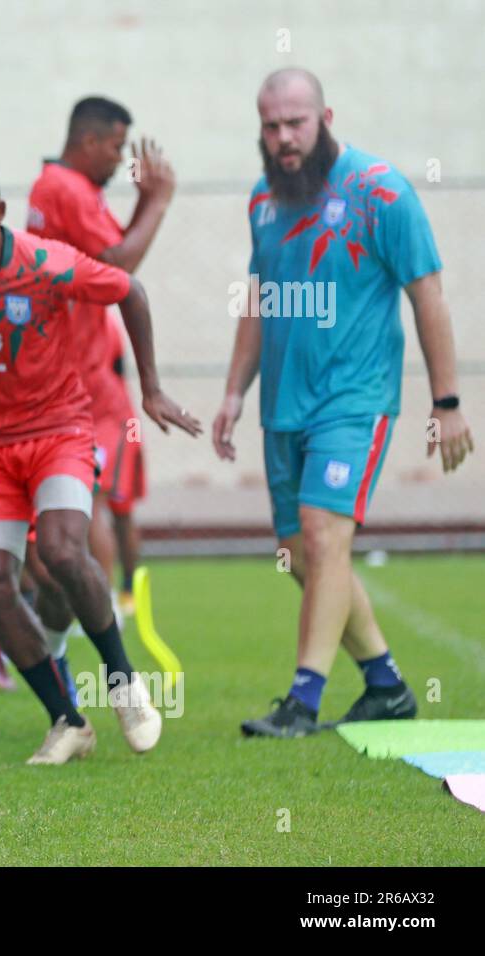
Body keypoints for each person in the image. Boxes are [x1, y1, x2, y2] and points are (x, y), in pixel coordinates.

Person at [0, 142, 201, 765]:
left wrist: (152, 388)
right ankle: (66, 719)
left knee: (61, 550)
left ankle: (121, 680)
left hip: (57, 430)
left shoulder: (48, 262)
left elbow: (129, 290)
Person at [214, 69, 474, 737]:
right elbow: (259, 299)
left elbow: (429, 294)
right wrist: (232, 393)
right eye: (271, 126)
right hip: (282, 406)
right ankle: (385, 684)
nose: (283, 138)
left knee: (327, 535)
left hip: (354, 401)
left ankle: (303, 701)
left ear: (326, 116)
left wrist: (446, 402)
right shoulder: (262, 200)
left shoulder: (379, 191)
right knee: (302, 553)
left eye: (296, 123)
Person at [27, 96, 175, 614]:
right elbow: (120, 270)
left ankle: (98, 607)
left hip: (79, 373)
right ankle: (103, 613)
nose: (119, 158)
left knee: (95, 505)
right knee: (95, 507)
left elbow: (109, 255)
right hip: (83, 381)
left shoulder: (60, 185)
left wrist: (140, 205)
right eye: (114, 147)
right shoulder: (68, 188)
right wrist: (158, 201)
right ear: (88, 142)